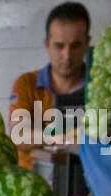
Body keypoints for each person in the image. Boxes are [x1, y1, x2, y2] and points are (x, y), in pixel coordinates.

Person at [11, 4, 91, 169]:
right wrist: (63, 139)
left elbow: (110, 139)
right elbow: (19, 136)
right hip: (33, 185)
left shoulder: (99, 88)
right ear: (47, 44)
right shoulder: (26, 84)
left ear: (87, 43)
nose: (67, 55)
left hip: (85, 186)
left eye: (75, 45)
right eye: (59, 46)